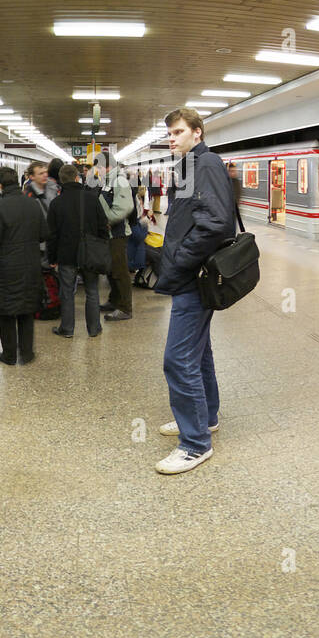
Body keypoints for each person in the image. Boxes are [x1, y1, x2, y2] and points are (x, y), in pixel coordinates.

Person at [149, 108, 235, 473]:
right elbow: (188, 217)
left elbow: (215, 221)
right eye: (170, 133)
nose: (173, 138)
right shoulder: (187, 166)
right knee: (198, 354)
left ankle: (195, 443)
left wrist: (181, 259)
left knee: (178, 358)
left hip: (193, 275)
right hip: (187, 273)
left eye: (179, 132)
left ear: (197, 133)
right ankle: (206, 419)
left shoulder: (207, 164)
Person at [0, 165, 46, 364]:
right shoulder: (33, 204)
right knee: (26, 309)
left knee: (7, 312)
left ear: (0, 186)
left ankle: (9, 355)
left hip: (6, 268)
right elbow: (44, 234)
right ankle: (26, 353)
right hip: (30, 264)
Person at [47, 160, 110, 339]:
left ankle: (67, 329)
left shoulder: (56, 203)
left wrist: (52, 258)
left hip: (66, 255)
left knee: (67, 292)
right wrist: (102, 247)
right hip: (90, 253)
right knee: (92, 290)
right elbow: (103, 226)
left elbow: (52, 235)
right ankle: (94, 328)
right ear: (77, 177)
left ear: (61, 180)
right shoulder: (91, 199)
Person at [96, 153, 138, 319]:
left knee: (120, 271)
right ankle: (114, 300)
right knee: (111, 269)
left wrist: (108, 220)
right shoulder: (108, 181)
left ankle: (125, 308)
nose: (97, 171)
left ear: (108, 166)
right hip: (110, 233)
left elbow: (125, 207)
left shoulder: (119, 181)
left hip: (117, 233)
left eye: (99, 167)